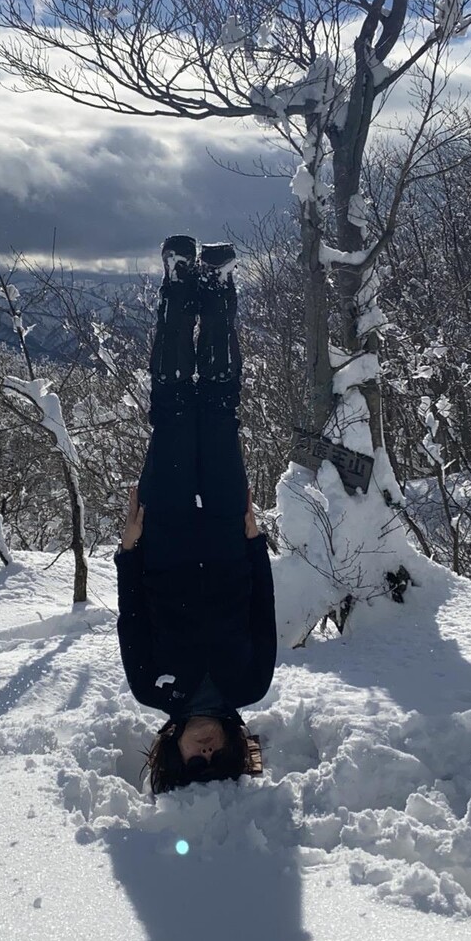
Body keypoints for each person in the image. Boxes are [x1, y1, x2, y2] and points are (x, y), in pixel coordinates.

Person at [115, 235, 276, 793]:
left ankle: (180, 282)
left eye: (192, 763)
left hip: (167, 534)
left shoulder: (151, 689)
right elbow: (262, 608)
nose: (204, 753)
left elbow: (132, 615)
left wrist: (129, 549)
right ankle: (220, 286)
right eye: (218, 760)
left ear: (172, 751)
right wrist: (256, 543)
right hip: (230, 533)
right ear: (236, 746)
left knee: (175, 410)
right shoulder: (252, 684)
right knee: (219, 409)